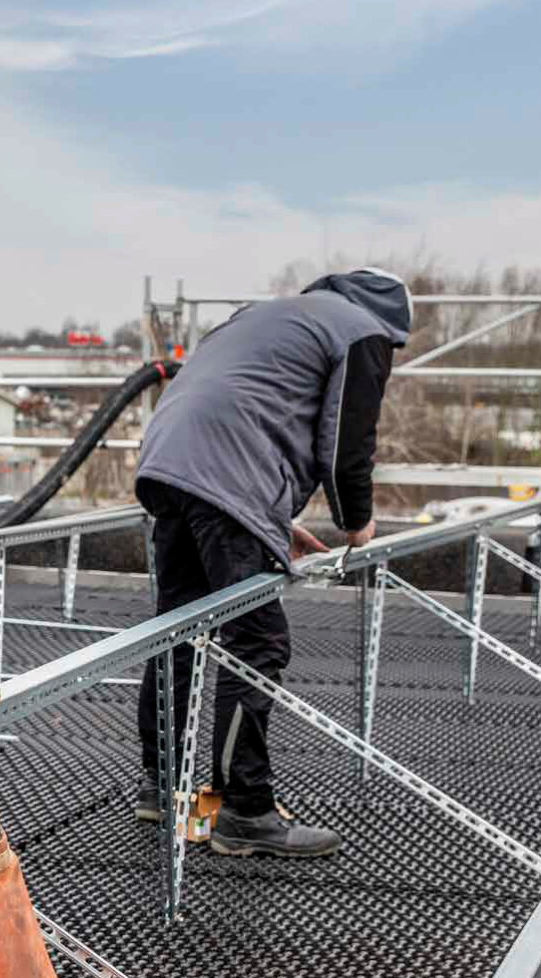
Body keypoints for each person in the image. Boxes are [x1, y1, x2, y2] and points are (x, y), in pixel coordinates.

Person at [133, 268, 412, 856]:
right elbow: (345, 446)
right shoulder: (362, 332)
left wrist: (270, 521)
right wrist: (356, 523)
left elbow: (245, 403)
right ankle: (246, 811)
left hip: (168, 462)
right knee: (256, 642)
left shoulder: (266, 315)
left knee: (177, 630)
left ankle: (163, 788)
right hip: (226, 476)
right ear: (392, 326)